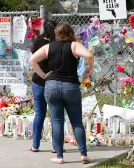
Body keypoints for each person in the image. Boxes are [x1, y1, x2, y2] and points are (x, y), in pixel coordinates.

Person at [29, 23, 94, 164]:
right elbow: (89, 55)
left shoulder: (48, 47)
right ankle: (83, 154)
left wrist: (43, 75)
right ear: (70, 33)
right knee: (76, 121)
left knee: (57, 121)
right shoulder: (74, 45)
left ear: (56, 34)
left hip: (51, 86)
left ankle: (59, 156)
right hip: (70, 86)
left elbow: (32, 60)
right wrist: (90, 69)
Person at [29, 19, 57, 153]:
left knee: (39, 113)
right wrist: (47, 75)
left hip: (38, 81)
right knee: (54, 115)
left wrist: (41, 74)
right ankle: (55, 147)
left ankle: (35, 145)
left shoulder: (37, 41)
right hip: (53, 81)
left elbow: (31, 60)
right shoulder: (57, 44)